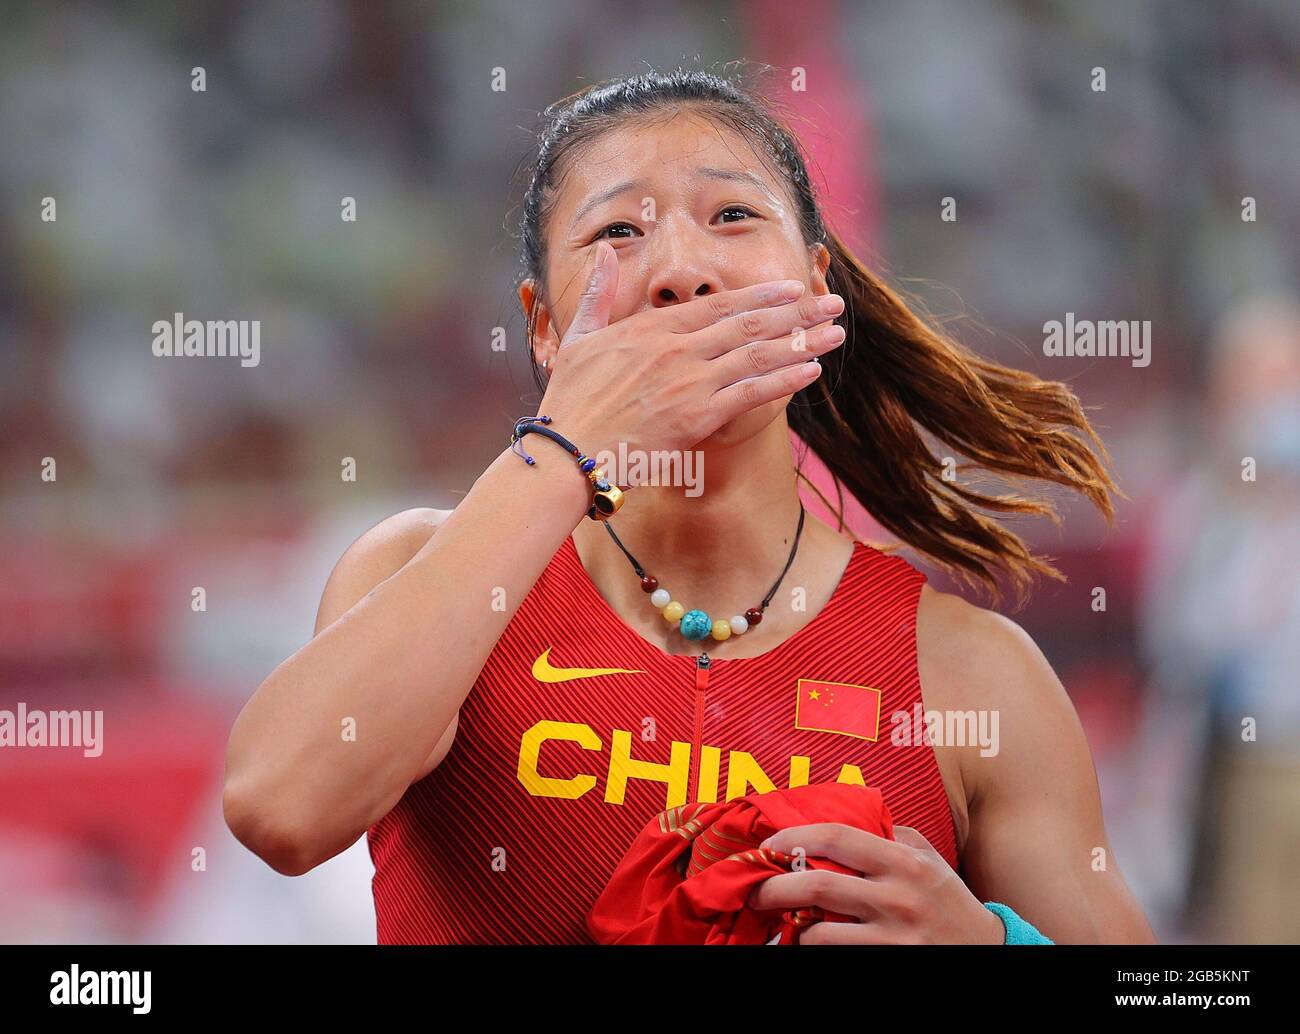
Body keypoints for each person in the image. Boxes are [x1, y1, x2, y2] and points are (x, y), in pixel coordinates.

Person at [222, 69, 1155, 945]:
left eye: (733, 215)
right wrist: (564, 449)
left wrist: (991, 943)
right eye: (617, 233)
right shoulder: (421, 576)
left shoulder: (968, 673)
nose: (681, 269)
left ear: (817, 288)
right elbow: (279, 809)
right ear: (544, 326)